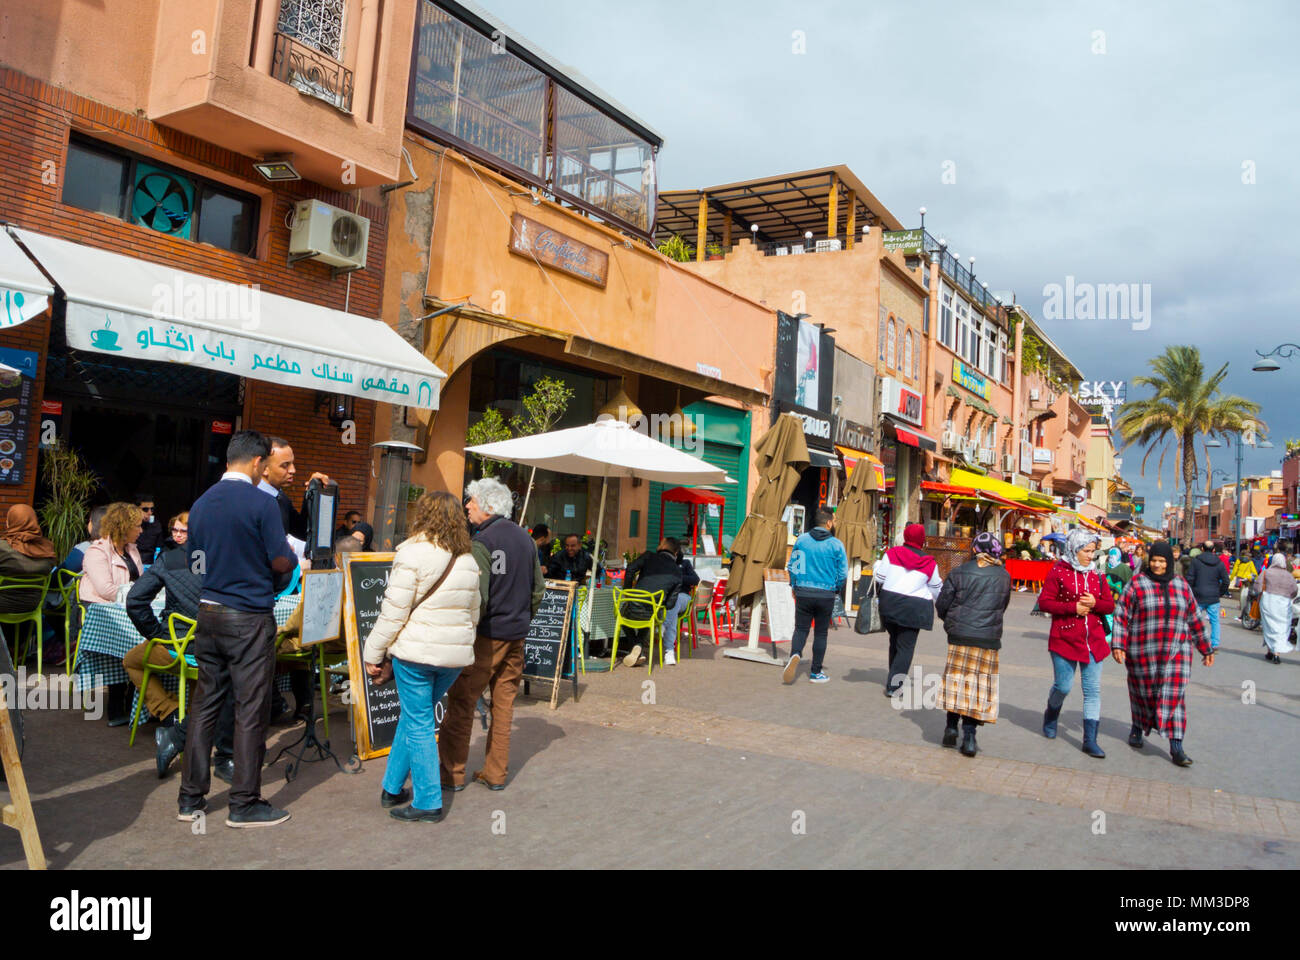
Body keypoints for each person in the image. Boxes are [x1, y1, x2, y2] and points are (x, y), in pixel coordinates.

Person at [178, 430, 297, 828]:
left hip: (209, 612)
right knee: (250, 709)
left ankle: (190, 798)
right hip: (248, 616)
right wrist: (274, 579)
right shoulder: (261, 503)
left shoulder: (200, 504)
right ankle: (243, 803)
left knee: (205, 705)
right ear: (258, 463)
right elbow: (282, 561)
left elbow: (195, 563)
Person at [364, 491, 481, 823]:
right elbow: (474, 614)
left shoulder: (412, 554)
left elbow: (392, 614)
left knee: (418, 722)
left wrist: (371, 653)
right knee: (415, 717)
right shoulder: (468, 560)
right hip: (454, 658)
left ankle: (428, 801)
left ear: (422, 516)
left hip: (415, 654)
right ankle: (391, 788)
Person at [440, 478, 545, 792]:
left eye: (471, 501)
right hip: (516, 635)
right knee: (504, 705)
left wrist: (467, 634)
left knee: (461, 703)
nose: (467, 506)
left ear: (486, 505)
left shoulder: (481, 542)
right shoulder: (526, 540)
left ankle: (452, 774)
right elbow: (538, 590)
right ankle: (496, 773)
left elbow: (478, 599)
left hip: (486, 637)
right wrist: (522, 618)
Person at [124, 534, 236, 783]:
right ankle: (188, 730)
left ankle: (171, 714)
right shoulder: (228, 555)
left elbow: (134, 601)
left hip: (178, 646)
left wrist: (155, 633)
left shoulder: (172, 557)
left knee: (131, 660)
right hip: (215, 648)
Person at [1111, 541, 1215, 766]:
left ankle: (1176, 746)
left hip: (1177, 652)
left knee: (1174, 697)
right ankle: (1138, 728)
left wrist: (1206, 648)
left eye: (1162, 561)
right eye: (1154, 561)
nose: (1157, 565)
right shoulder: (1137, 583)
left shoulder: (1181, 585)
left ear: (1170, 562)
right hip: (1142, 652)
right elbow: (1121, 614)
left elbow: (1195, 618)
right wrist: (1118, 645)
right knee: (1143, 694)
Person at [1037, 528, 1115, 758]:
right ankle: (1051, 715)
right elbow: (1044, 603)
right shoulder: (1058, 572)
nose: (1091, 556)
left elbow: (1109, 606)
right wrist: (1073, 608)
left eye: (1093, 551)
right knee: (1064, 686)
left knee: (1092, 690)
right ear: (1074, 549)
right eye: (1086, 551)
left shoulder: (1097, 574)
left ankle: (1090, 740)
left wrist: (1095, 602)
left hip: (1094, 641)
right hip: (1065, 639)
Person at [934, 532, 1010, 757]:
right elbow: (1002, 606)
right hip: (988, 638)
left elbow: (942, 604)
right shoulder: (1004, 576)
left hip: (960, 636)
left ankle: (950, 727)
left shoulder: (959, 572)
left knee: (955, 682)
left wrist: (950, 623)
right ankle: (969, 736)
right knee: (977, 688)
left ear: (975, 549)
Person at [873, 522, 943, 696]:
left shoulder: (892, 553)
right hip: (914, 610)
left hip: (889, 605)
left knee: (894, 641)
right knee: (906, 647)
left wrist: (877, 567)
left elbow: (880, 578)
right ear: (922, 540)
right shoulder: (929, 563)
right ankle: (894, 686)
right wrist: (944, 605)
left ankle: (893, 678)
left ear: (905, 536)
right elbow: (936, 588)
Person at [782, 507, 847, 685]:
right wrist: (836, 589)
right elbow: (843, 574)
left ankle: (795, 653)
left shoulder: (802, 540)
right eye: (833, 521)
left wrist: (794, 585)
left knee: (801, 629)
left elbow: (793, 566)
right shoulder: (836, 545)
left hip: (803, 591)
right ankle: (816, 672)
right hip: (826, 594)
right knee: (820, 633)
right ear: (828, 523)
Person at [621, 537, 686, 667]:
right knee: (651, 615)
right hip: (654, 613)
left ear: (663, 546)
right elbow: (670, 605)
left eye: (660, 542)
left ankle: (636, 644)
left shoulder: (648, 556)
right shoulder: (678, 572)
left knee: (620, 614)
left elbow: (630, 569)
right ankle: (638, 645)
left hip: (633, 606)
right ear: (675, 552)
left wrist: (627, 592)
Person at [259, 436, 331, 549]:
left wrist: (311, 494)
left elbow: (303, 531)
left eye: (292, 463)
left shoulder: (281, 498)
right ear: (264, 468)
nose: (293, 470)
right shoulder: (249, 500)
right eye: (285, 465)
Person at [79, 502, 145, 604]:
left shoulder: (132, 550)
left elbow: (141, 582)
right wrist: (138, 596)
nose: (141, 531)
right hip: (102, 610)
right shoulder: (97, 552)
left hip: (129, 605)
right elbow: (106, 590)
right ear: (124, 528)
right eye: (138, 526)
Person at [0, 505, 57, 614]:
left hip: (3, 605)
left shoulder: (2, 548)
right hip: (32, 606)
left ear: (10, 523)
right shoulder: (47, 548)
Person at [1186, 539, 1230, 651]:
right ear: (1214, 550)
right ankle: (1214, 644)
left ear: (1202, 549)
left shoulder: (1196, 561)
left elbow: (1189, 578)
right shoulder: (1219, 563)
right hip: (1213, 596)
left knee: (1194, 619)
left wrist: (1190, 592)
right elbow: (1226, 581)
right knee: (1214, 621)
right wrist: (1220, 592)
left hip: (1198, 595)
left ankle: (1192, 640)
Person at [1259, 552, 1297, 664]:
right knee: (1281, 627)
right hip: (1283, 603)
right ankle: (1276, 653)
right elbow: (1294, 590)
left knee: (1269, 626)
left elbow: (1257, 586)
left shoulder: (1266, 573)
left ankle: (1270, 651)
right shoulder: (1289, 575)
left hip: (1268, 602)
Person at [61, 505, 109, 574]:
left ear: (96, 525)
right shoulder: (122, 550)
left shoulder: (86, 548)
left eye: (90, 521)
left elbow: (59, 577)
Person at [134, 493, 164, 565]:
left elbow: (159, 548)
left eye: (152, 509)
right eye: (145, 509)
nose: (150, 512)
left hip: (150, 563)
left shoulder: (156, 525)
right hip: (134, 561)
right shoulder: (129, 526)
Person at [1231, 550, 1258, 622]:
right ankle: (1245, 614)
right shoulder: (1250, 562)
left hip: (1240, 581)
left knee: (1242, 597)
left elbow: (1234, 571)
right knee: (1246, 598)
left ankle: (1242, 614)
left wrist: (1231, 579)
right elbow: (1254, 573)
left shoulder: (1238, 561)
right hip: (1247, 581)